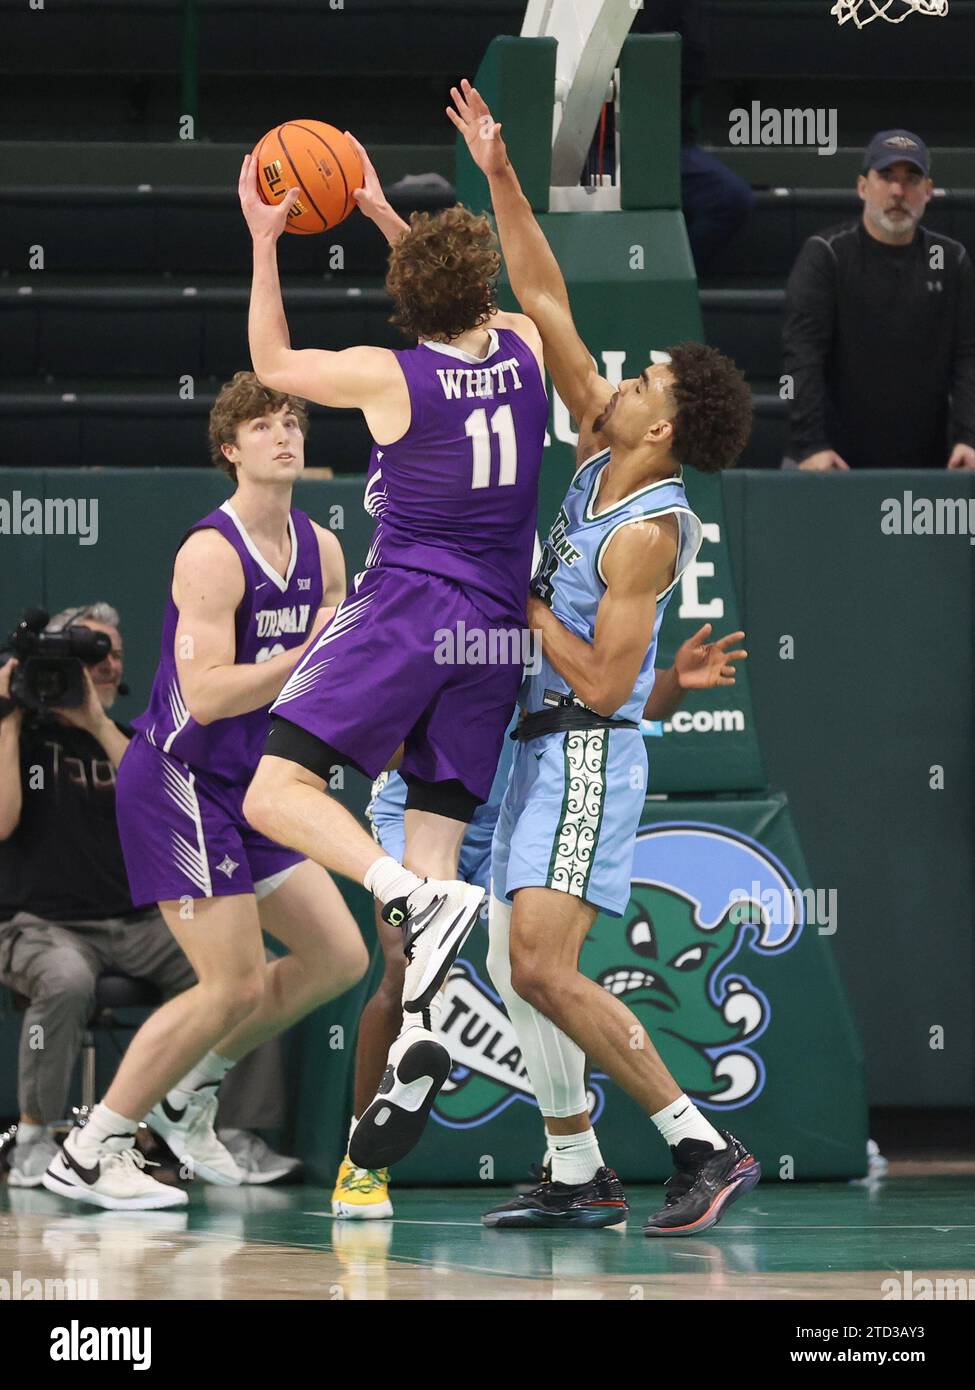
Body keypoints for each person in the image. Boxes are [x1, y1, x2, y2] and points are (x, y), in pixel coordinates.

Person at [443, 79, 758, 1238]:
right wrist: (502, 173)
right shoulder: (597, 443)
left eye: (645, 385)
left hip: (585, 750)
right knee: (524, 965)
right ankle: (574, 1168)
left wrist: (522, 609)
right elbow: (540, 290)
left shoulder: (647, 529)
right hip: (535, 749)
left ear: (662, 428)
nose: (620, 381)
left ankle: (702, 1140)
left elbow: (610, 682)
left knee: (543, 961)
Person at [236, 136, 550, 1168]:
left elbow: (275, 366)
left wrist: (265, 242)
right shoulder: (524, 346)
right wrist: (380, 213)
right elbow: (456, 287)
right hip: (495, 631)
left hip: (410, 607)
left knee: (274, 792)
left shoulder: (390, 375)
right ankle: (425, 1012)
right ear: (485, 285)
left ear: (404, 299)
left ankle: (406, 900)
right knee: (438, 851)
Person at [43, 375, 369, 1210]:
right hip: (179, 782)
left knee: (339, 957)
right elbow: (210, 692)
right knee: (229, 984)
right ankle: (90, 1148)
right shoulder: (211, 553)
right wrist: (309, 656)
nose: (284, 435)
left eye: (292, 420)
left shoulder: (323, 549)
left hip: (255, 786)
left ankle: (191, 1094)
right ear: (230, 449)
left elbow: (330, 678)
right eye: (263, 425)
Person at [331, 621, 748, 1218]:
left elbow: (610, 690)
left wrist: (676, 682)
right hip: (422, 806)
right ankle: (363, 1161)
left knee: (534, 975)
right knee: (405, 965)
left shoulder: (536, 604)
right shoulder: (432, 606)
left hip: (516, 802)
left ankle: (574, 1164)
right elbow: (385, 744)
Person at [0, 604, 296, 1187]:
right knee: (64, 978)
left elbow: (149, 786)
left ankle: (228, 1127)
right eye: (88, 654)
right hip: (41, 925)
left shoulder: (141, 741)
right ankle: (35, 1137)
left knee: (250, 970)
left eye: (111, 654)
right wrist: (7, 715)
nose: (103, 665)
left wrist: (95, 724)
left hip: (139, 923)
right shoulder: (20, 739)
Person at [782, 129, 975, 472]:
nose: (898, 191)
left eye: (911, 179)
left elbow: (968, 355)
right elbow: (802, 354)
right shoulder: (827, 255)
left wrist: (969, 437)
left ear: (928, 191)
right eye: (886, 177)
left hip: (933, 459)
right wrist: (810, 444)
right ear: (862, 187)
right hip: (832, 458)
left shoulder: (949, 259)